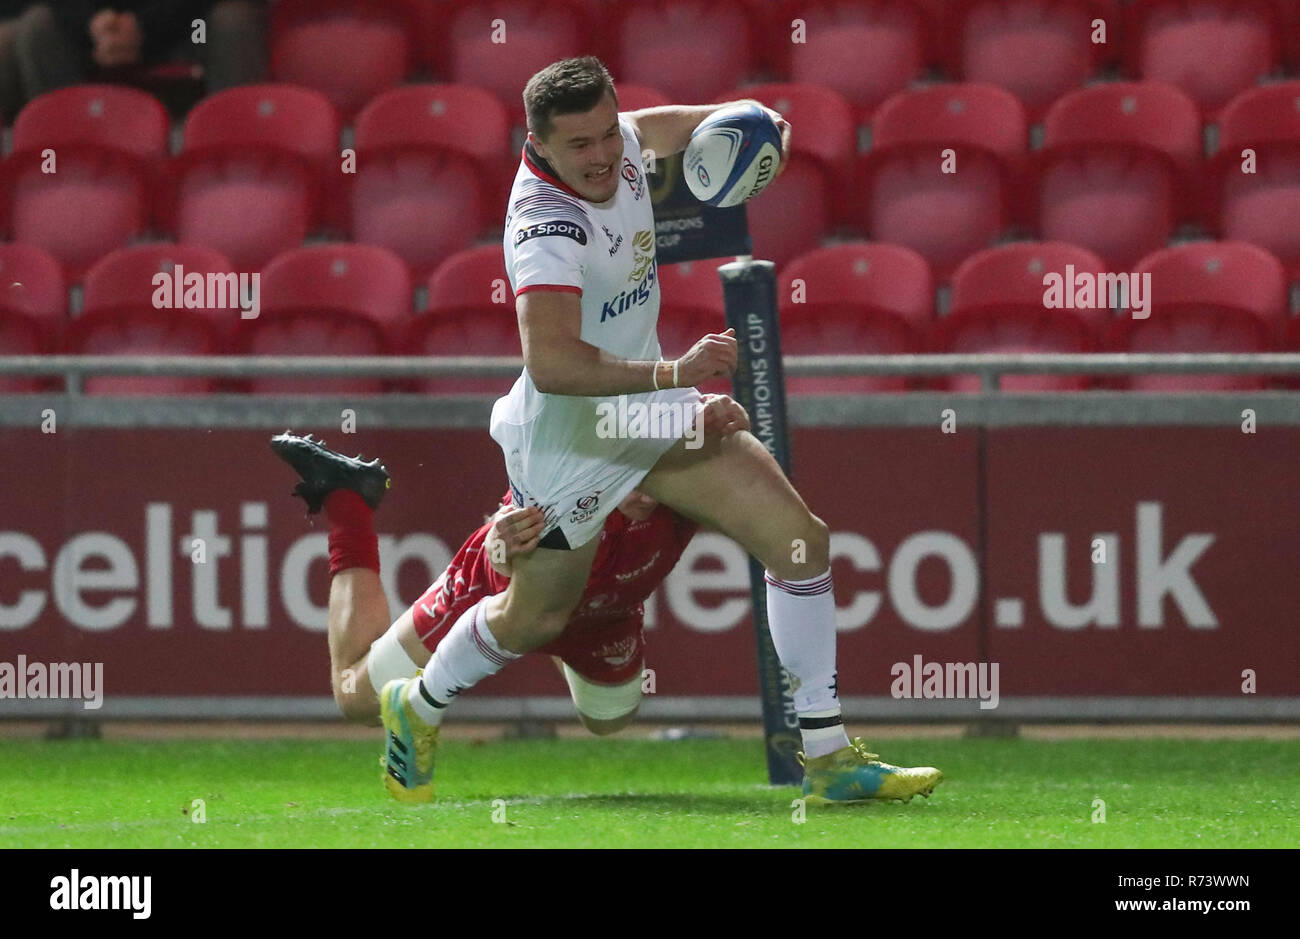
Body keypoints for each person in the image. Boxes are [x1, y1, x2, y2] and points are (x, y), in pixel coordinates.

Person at [378, 55, 942, 807]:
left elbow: (667, 128)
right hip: (571, 436)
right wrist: (676, 377)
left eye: (608, 133)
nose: (605, 154)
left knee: (799, 538)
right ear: (539, 146)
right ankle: (415, 705)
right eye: (580, 146)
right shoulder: (545, 229)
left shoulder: (621, 145)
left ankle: (829, 752)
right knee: (536, 613)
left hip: (645, 411)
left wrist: (745, 116)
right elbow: (553, 365)